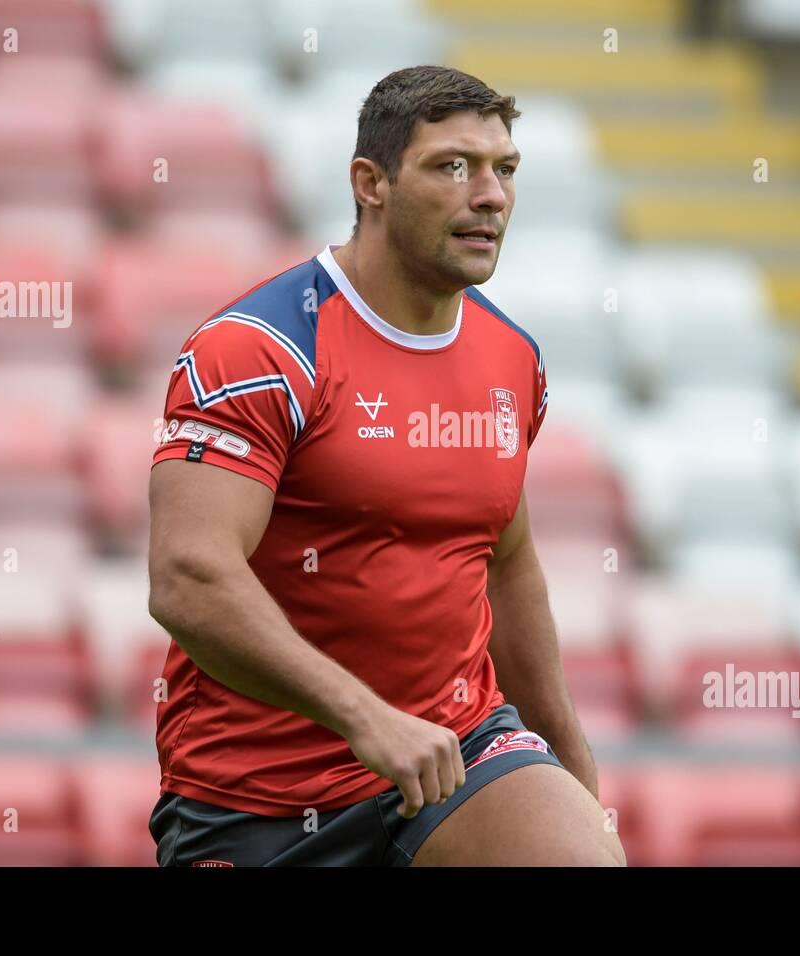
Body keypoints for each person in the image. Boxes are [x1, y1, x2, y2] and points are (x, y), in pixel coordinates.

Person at [146, 64, 625, 866]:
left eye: (504, 169)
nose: (491, 195)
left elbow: (505, 563)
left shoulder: (512, 358)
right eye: (453, 167)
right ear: (370, 183)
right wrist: (367, 718)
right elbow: (187, 576)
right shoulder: (258, 349)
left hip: (458, 752)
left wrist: (571, 763)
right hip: (256, 794)